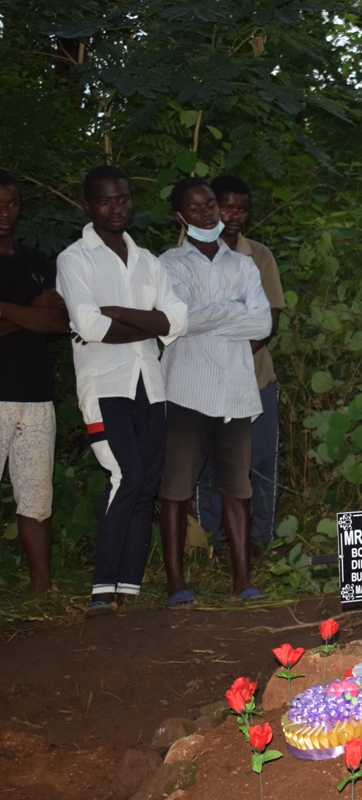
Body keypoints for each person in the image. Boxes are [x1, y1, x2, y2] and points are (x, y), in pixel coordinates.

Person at [57, 165, 189, 616]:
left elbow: (177, 321)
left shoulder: (149, 260)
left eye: (123, 198)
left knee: (146, 484)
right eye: (105, 201)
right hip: (105, 386)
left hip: (150, 386)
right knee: (125, 476)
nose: (116, 208)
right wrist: (141, 321)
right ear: (88, 205)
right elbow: (89, 326)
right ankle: (100, 591)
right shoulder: (75, 259)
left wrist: (115, 312)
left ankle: (127, 590)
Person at [158, 178, 272, 605]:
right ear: (179, 216)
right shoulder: (168, 265)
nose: (207, 213)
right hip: (186, 390)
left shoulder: (243, 265)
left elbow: (262, 324)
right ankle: (175, 584)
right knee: (176, 490)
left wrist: (212, 316)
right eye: (196, 208)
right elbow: (179, 319)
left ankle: (242, 581)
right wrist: (235, 311)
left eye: (210, 205)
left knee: (236, 489)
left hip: (236, 393)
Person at [194, 174, 286, 558]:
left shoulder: (259, 256)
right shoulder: (186, 256)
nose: (233, 215)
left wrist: (232, 349)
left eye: (241, 209)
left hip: (255, 376)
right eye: (226, 206)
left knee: (261, 462)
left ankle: (257, 543)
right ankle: (209, 544)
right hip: (203, 381)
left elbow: (269, 319)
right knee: (206, 465)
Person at [0, 171, 70, 594]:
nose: (4, 213)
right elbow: (41, 317)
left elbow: (59, 321)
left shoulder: (35, 261)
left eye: (11, 204)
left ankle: (42, 592)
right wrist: (30, 311)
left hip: (35, 398)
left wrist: (8, 312)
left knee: (36, 498)